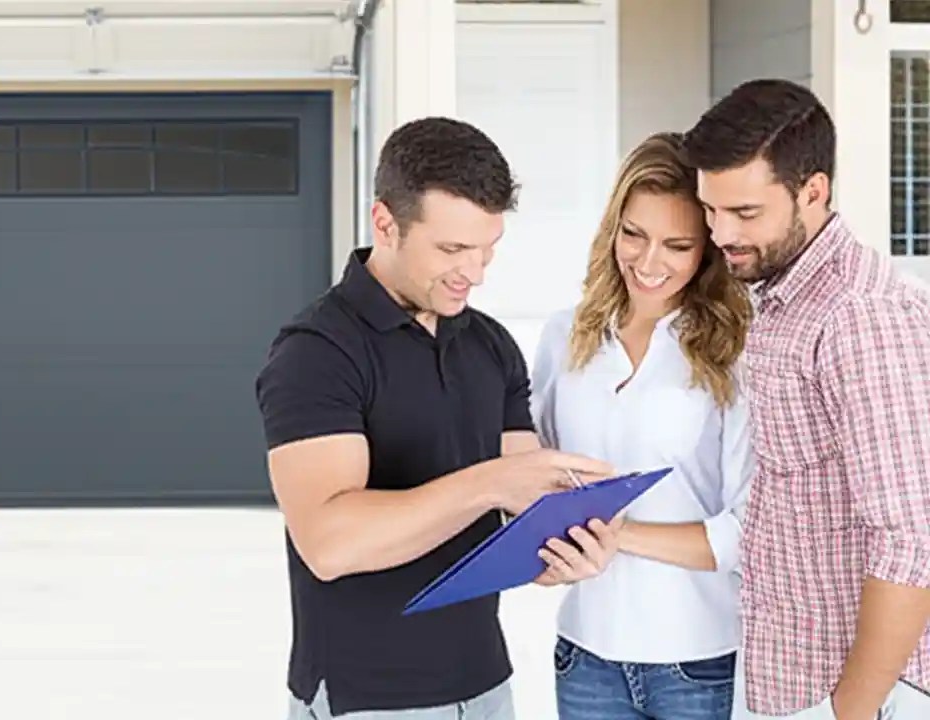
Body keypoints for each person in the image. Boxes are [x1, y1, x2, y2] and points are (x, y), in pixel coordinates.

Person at [255, 116, 618, 719]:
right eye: (451, 250)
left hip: (485, 688)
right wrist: (489, 483)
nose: (473, 273)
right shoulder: (317, 351)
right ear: (385, 224)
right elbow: (328, 542)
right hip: (367, 700)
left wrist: (566, 549)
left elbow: (522, 499)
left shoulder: (491, 345)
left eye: (487, 249)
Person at [681, 79, 930, 720]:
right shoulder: (786, 298)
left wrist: (848, 710)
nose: (720, 233)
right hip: (791, 675)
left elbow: (911, 541)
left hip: (856, 696)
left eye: (745, 213)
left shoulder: (859, 316)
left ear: (813, 192)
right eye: (711, 211)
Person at [529, 131, 756, 719]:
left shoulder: (735, 352)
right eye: (634, 235)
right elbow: (533, 483)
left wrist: (614, 537)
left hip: (698, 663)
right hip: (584, 658)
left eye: (676, 246)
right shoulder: (564, 337)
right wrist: (543, 555)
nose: (648, 264)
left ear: (707, 250)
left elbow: (747, 530)